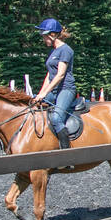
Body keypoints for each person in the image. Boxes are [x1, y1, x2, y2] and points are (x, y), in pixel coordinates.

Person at [32, 18, 77, 149]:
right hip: (54, 89)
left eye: (44, 36)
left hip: (65, 89)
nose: (43, 39)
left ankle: (67, 155)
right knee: (35, 106)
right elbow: (49, 75)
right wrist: (40, 94)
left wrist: (45, 92)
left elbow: (60, 75)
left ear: (52, 35)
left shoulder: (66, 50)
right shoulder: (53, 51)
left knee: (57, 119)